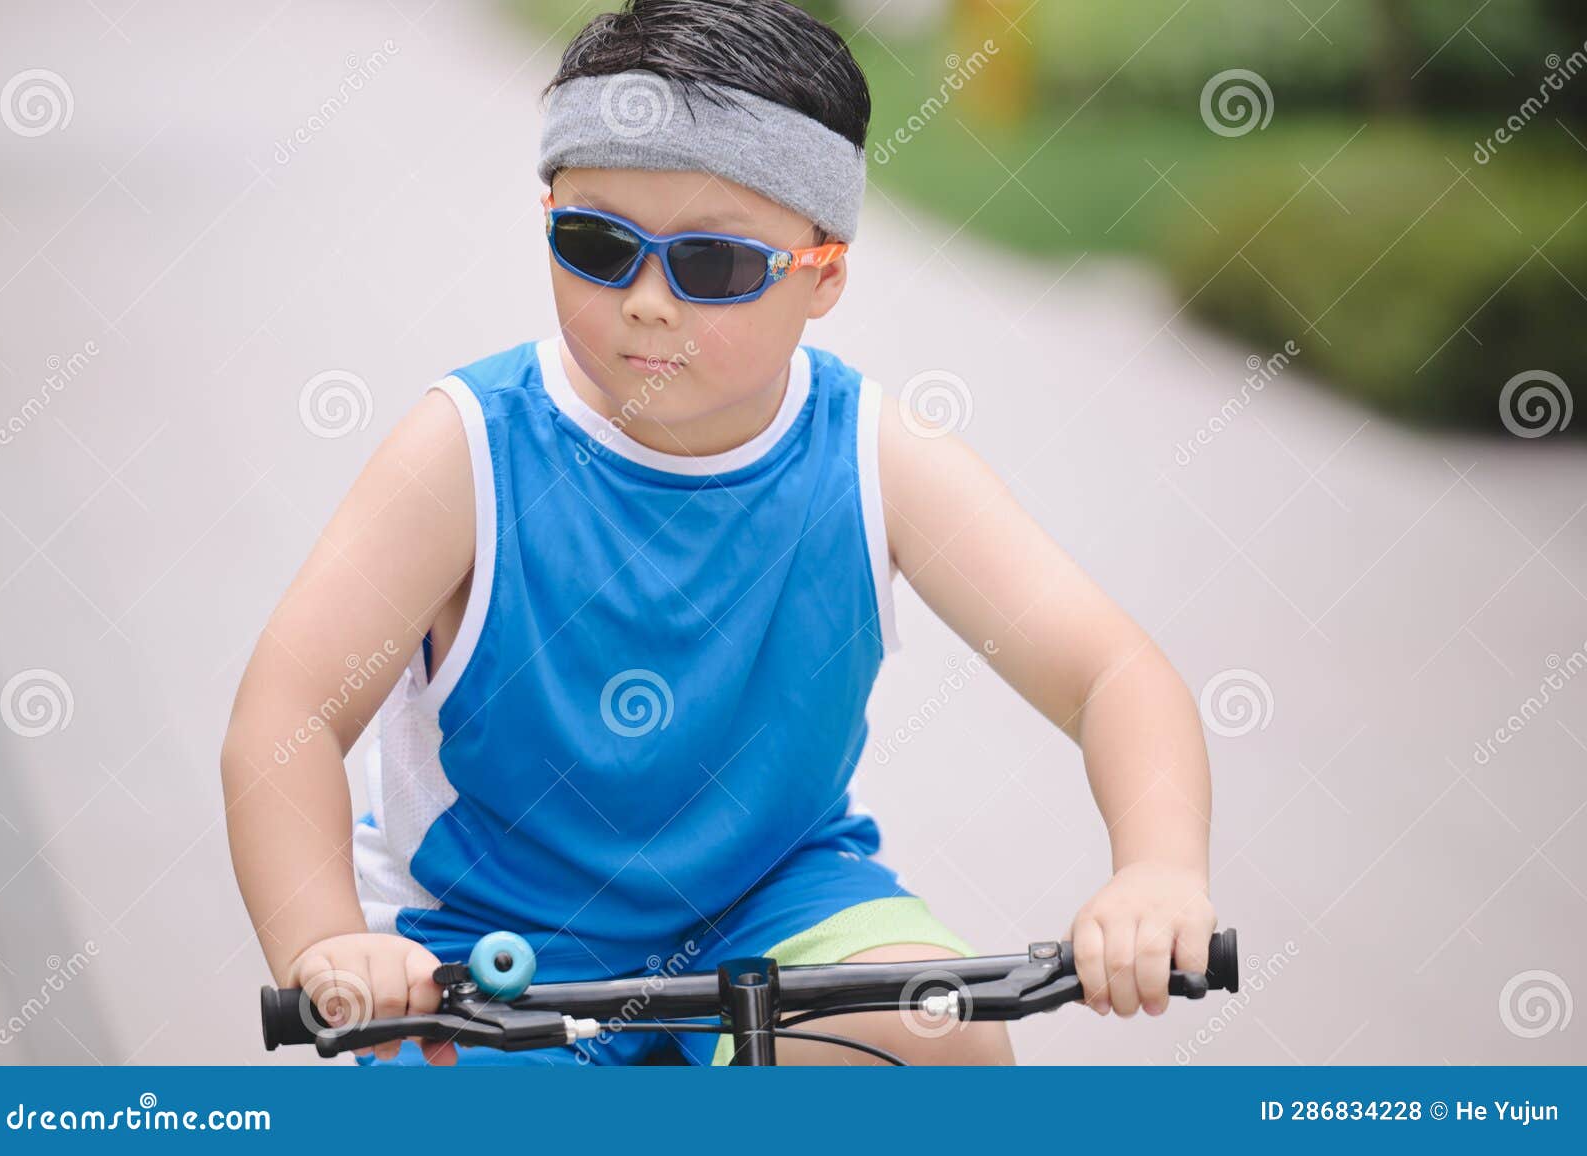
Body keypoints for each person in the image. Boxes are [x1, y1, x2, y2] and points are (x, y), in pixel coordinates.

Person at [222, 0, 1216, 1067]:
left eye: (715, 266)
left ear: (823, 276)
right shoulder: (465, 452)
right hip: (485, 943)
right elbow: (285, 719)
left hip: (772, 900)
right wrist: (326, 942)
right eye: (597, 243)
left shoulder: (878, 458)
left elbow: (1110, 671)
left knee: (941, 1040)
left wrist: (1157, 868)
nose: (646, 302)